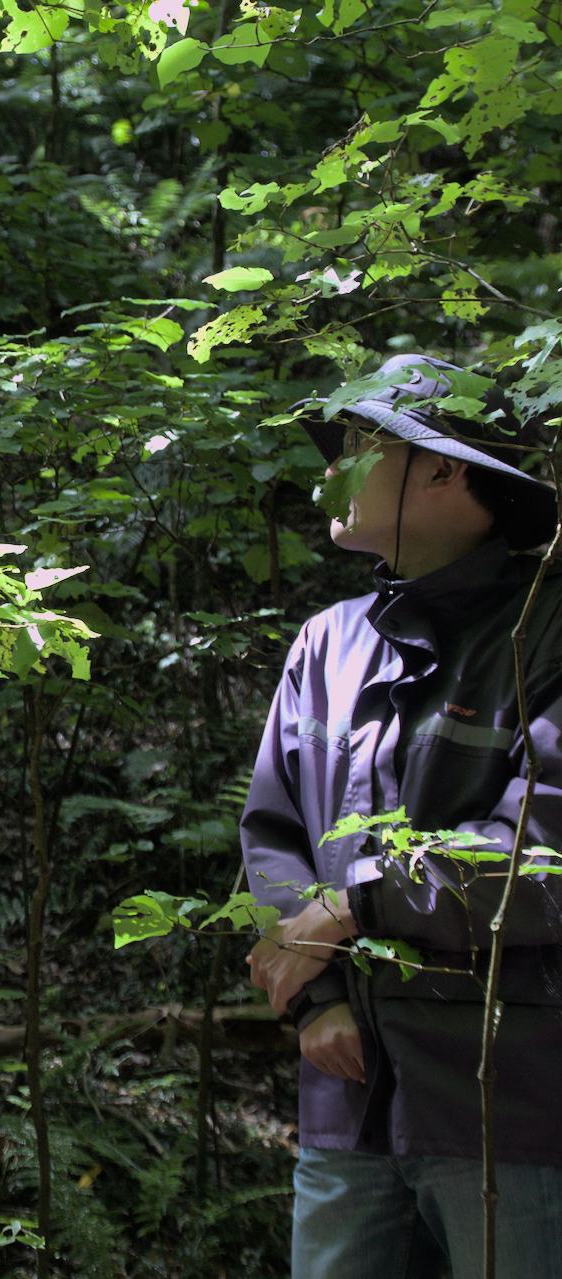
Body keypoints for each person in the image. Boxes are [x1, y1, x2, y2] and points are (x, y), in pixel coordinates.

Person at [240, 353, 562, 1278]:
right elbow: (273, 840)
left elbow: (541, 858)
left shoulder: (547, 632)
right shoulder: (327, 644)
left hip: (508, 1109)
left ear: (442, 469)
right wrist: (316, 998)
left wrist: (356, 906)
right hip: (346, 1106)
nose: (324, 472)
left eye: (354, 448)